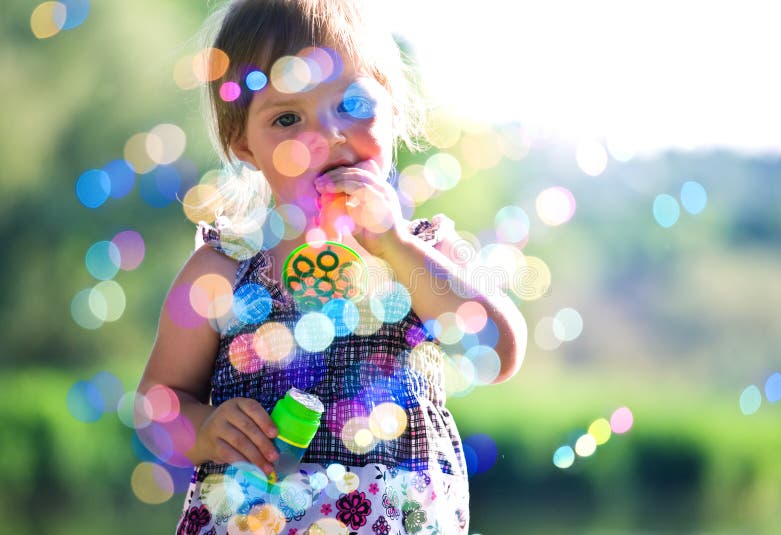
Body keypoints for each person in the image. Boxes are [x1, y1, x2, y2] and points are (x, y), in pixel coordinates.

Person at [137, 1, 528, 533]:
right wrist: (205, 429)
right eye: (288, 118)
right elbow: (158, 405)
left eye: (352, 103)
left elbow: (499, 353)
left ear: (394, 111)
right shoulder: (224, 270)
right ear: (245, 146)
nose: (328, 134)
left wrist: (393, 245)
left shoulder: (423, 255)